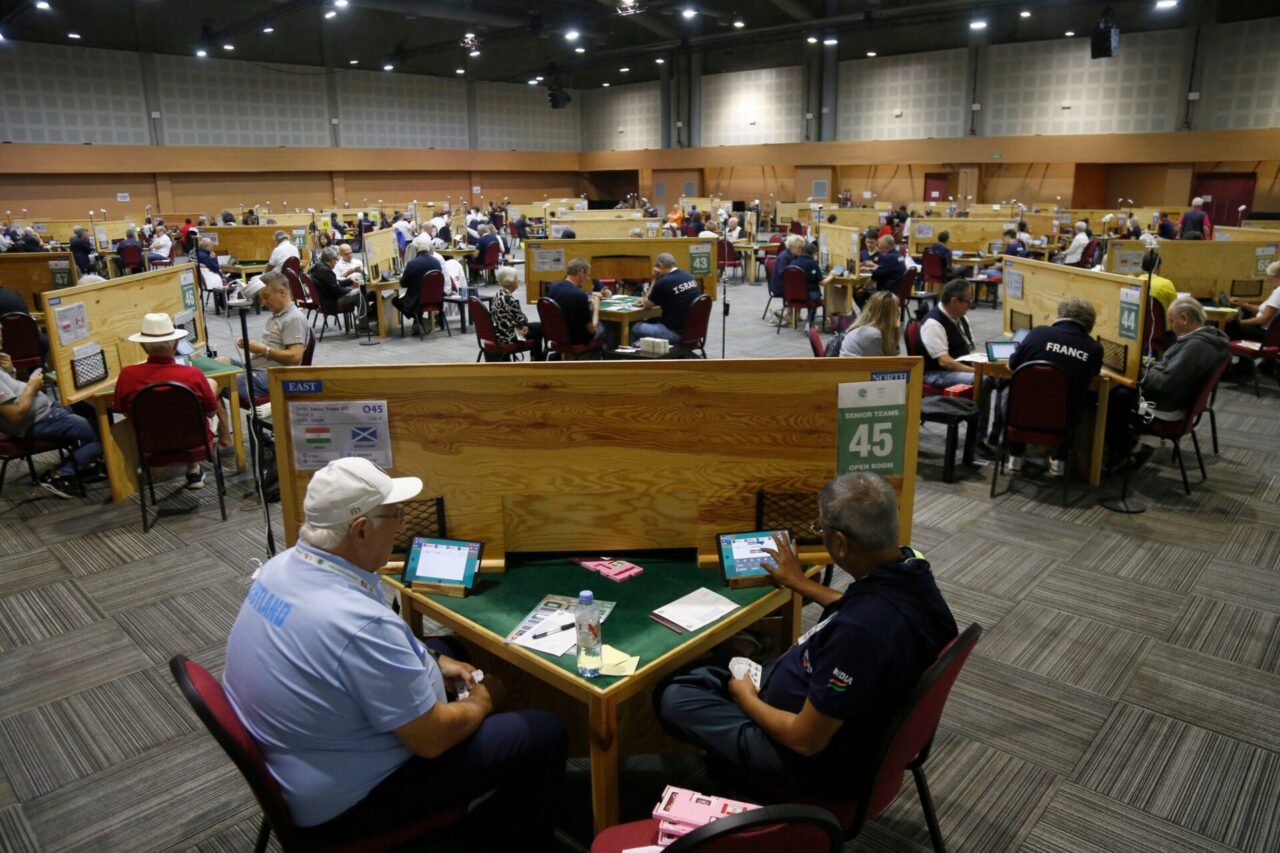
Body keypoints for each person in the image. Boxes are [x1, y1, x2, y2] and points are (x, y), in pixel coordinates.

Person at [223, 457, 567, 848]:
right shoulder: (358, 624)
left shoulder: (284, 566)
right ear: (360, 530)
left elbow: (366, 646)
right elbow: (432, 738)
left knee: (447, 648)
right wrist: (485, 700)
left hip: (299, 757)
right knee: (544, 732)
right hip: (349, 807)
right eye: (394, 516)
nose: (402, 525)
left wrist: (436, 662)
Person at [656, 472, 957, 799]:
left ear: (840, 543)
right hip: (836, 703)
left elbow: (805, 740)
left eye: (820, 528)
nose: (820, 534)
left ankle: (739, 750)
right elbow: (859, 607)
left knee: (675, 697)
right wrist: (799, 582)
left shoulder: (860, 633)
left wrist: (746, 698)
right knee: (710, 670)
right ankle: (742, 665)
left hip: (807, 761)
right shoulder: (911, 569)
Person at [113, 313, 233, 488]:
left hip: (150, 445)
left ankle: (193, 469)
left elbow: (124, 411)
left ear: (143, 346)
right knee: (211, 386)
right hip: (195, 442)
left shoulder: (127, 375)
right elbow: (211, 412)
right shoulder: (193, 375)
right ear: (176, 345)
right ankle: (193, 467)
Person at [1109, 298, 1229, 468]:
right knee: (1122, 392)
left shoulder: (1194, 347)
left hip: (1165, 407)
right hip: (1178, 399)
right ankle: (1126, 445)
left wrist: (1136, 371)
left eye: (1172, 321)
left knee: (1115, 397)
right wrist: (1148, 367)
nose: (1170, 326)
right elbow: (1171, 372)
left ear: (1184, 318)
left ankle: (1129, 449)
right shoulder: (1210, 338)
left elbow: (1164, 382)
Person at [1000, 298, 1103, 477]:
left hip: (1023, 414)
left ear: (1061, 314)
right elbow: (1092, 376)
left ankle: (1015, 454)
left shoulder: (1037, 333)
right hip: (1063, 420)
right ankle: (1059, 459)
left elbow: (1012, 366)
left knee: (1007, 392)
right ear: (1090, 323)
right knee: (1079, 399)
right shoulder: (1094, 348)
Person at [0, 326, 102, 499]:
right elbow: (15, 416)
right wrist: (32, 387)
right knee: (103, 434)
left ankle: (86, 460)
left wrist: (10, 372)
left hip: (46, 411)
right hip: (38, 421)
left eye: (1, 332)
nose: (1, 340)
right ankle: (60, 475)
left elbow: (13, 394)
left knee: (88, 406)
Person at [920, 279, 996, 449]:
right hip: (935, 373)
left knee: (1002, 377)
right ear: (955, 301)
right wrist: (977, 372)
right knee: (983, 381)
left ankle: (996, 434)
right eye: (968, 301)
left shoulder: (960, 318)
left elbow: (971, 349)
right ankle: (977, 440)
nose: (971, 305)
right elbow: (945, 361)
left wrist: (989, 366)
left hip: (957, 368)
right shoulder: (934, 323)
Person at [233, 272, 309, 400]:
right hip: (257, 370)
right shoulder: (277, 315)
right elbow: (271, 345)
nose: (263, 302)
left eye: (266, 297)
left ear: (282, 293)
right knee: (220, 363)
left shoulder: (294, 318)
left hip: (272, 376)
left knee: (222, 380)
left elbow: (295, 356)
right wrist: (252, 345)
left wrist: (263, 350)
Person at [631, 253, 701, 345]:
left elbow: (646, 304)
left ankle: (633, 353)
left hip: (674, 333)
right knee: (653, 319)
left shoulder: (663, 282)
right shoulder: (689, 276)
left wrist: (655, 279)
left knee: (635, 327)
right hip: (693, 332)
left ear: (660, 266)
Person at [547, 257, 604, 350]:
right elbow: (592, 329)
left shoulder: (553, 286)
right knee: (605, 328)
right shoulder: (580, 295)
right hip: (577, 339)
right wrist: (596, 307)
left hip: (558, 336)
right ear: (581, 273)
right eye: (587, 275)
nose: (587, 279)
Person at [490, 266, 544, 360]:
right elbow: (522, 319)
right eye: (516, 278)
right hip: (509, 336)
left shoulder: (498, 294)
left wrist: (522, 325)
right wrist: (523, 325)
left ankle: (536, 358)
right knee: (539, 329)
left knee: (536, 327)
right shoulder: (510, 299)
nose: (518, 280)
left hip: (499, 332)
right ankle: (537, 359)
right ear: (510, 281)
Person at [310, 246, 368, 329]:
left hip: (326, 298)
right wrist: (350, 289)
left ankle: (363, 320)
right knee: (359, 293)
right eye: (335, 260)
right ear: (330, 260)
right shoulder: (325, 271)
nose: (336, 262)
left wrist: (350, 281)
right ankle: (363, 325)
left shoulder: (319, 267)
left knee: (358, 295)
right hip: (330, 302)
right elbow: (336, 290)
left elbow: (335, 283)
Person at [1226, 260, 1280, 342]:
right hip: (1264, 330)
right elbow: (1262, 309)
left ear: (1276, 276)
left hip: (1264, 333)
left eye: (1269, 276)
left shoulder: (1278, 292)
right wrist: (1242, 304)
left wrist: (1240, 322)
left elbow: (1263, 319)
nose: (1268, 279)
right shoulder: (1277, 291)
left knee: (1228, 326)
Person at [783, 242, 832, 327]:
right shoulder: (812, 264)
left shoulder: (793, 262)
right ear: (814, 253)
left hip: (793, 296)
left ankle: (803, 322)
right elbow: (822, 283)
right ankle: (810, 322)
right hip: (809, 297)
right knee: (816, 296)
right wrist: (832, 276)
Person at [839, 291, 900, 357]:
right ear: (889, 314)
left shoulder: (870, 329)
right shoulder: (872, 334)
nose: (899, 311)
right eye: (897, 308)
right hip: (853, 363)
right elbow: (885, 361)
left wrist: (896, 332)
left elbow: (891, 355)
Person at [768, 235, 805, 326]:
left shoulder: (794, 256)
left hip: (787, 284)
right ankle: (784, 313)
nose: (801, 250)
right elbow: (783, 274)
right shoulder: (784, 257)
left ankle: (792, 314)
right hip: (779, 286)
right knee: (803, 291)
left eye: (802, 248)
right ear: (791, 246)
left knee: (803, 288)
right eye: (799, 247)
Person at [1139, 252, 1177, 318]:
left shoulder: (1135, 282)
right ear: (1158, 267)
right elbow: (1175, 307)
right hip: (1161, 324)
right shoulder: (1167, 284)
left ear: (1142, 266)